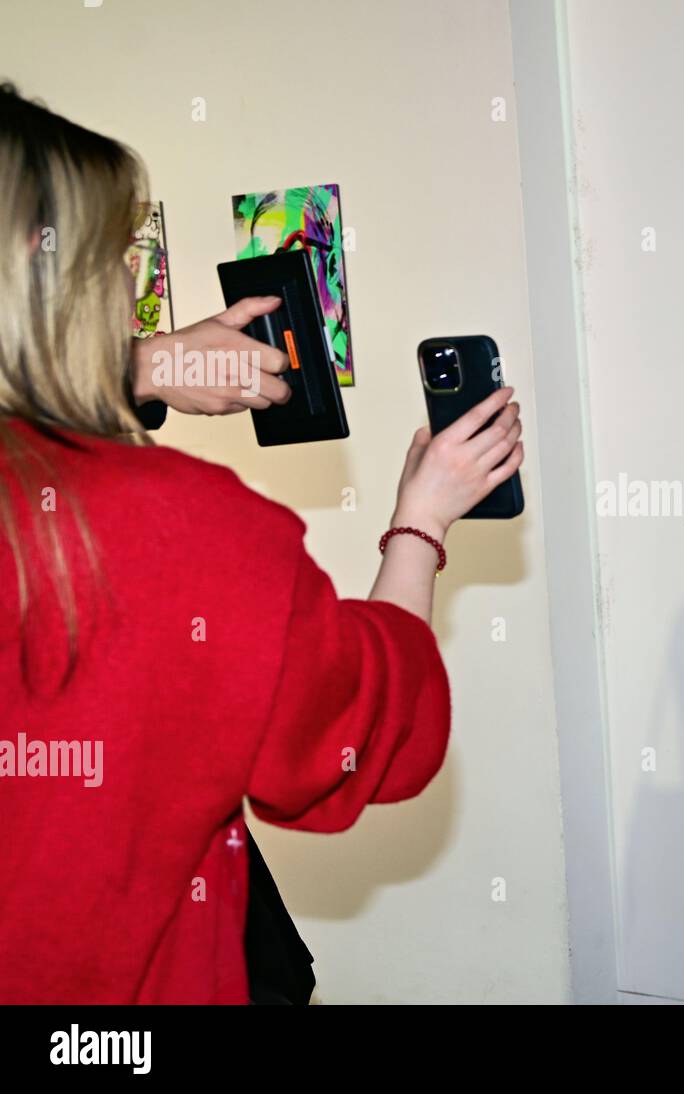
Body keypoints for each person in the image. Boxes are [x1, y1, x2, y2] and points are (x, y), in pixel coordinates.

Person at [0, 81, 524, 1003]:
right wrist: (421, 521)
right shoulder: (188, 532)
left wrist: (142, 365)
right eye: (117, 254)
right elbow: (372, 741)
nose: (134, 275)